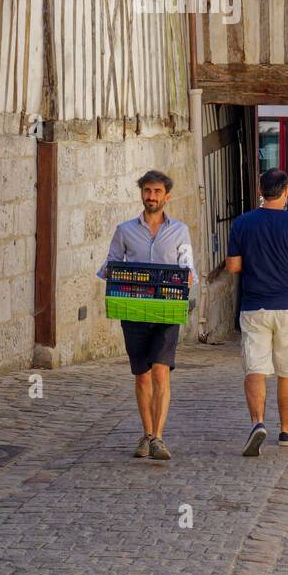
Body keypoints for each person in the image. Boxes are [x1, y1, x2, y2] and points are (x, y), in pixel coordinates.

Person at [97, 171, 195, 462]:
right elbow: (112, 262)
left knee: (161, 371)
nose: (151, 197)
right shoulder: (125, 230)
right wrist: (110, 272)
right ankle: (147, 432)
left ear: (167, 196)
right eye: (147, 191)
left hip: (167, 309)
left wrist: (188, 277)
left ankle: (158, 438)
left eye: (156, 192)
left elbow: (187, 264)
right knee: (142, 376)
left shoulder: (180, 231)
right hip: (134, 309)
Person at [224, 167, 288, 456]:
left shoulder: (242, 223)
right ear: (287, 192)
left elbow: (233, 266)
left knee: (255, 367)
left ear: (260, 190)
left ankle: (257, 422)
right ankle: (286, 429)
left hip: (254, 306)